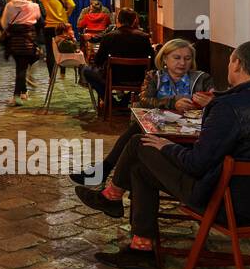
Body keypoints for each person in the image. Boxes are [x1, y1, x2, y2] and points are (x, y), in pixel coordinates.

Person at [78, 41, 250, 269]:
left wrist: (167, 147)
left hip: (225, 202)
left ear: (237, 64)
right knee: (141, 169)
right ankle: (141, 248)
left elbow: (196, 165)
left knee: (140, 143)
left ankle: (113, 196)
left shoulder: (229, 107)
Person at [68, 37, 215, 186]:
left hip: (190, 136)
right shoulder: (154, 77)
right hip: (159, 131)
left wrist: (209, 102)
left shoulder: (202, 79)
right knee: (137, 131)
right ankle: (107, 175)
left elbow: (217, 105)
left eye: (187, 58)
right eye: (177, 58)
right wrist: (172, 102)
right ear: (165, 58)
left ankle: (105, 173)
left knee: (135, 134)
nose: (182, 63)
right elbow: (144, 100)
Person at [81, 8, 154, 103]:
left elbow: (98, 61)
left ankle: (110, 102)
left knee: (86, 70)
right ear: (134, 21)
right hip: (138, 77)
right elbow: (152, 61)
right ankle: (125, 100)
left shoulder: (109, 37)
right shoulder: (144, 37)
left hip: (113, 77)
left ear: (118, 20)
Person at [0, 0, 41, 106]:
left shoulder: (10, 5)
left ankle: (21, 93)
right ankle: (18, 95)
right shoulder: (34, 6)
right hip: (28, 41)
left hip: (14, 42)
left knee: (20, 67)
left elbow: (3, 23)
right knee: (22, 69)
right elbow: (38, 20)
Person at [37, 0, 75, 78]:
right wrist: (66, 15)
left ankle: (51, 76)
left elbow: (38, 8)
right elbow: (72, 5)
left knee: (50, 51)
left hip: (47, 26)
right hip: (61, 26)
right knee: (62, 47)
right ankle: (63, 73)